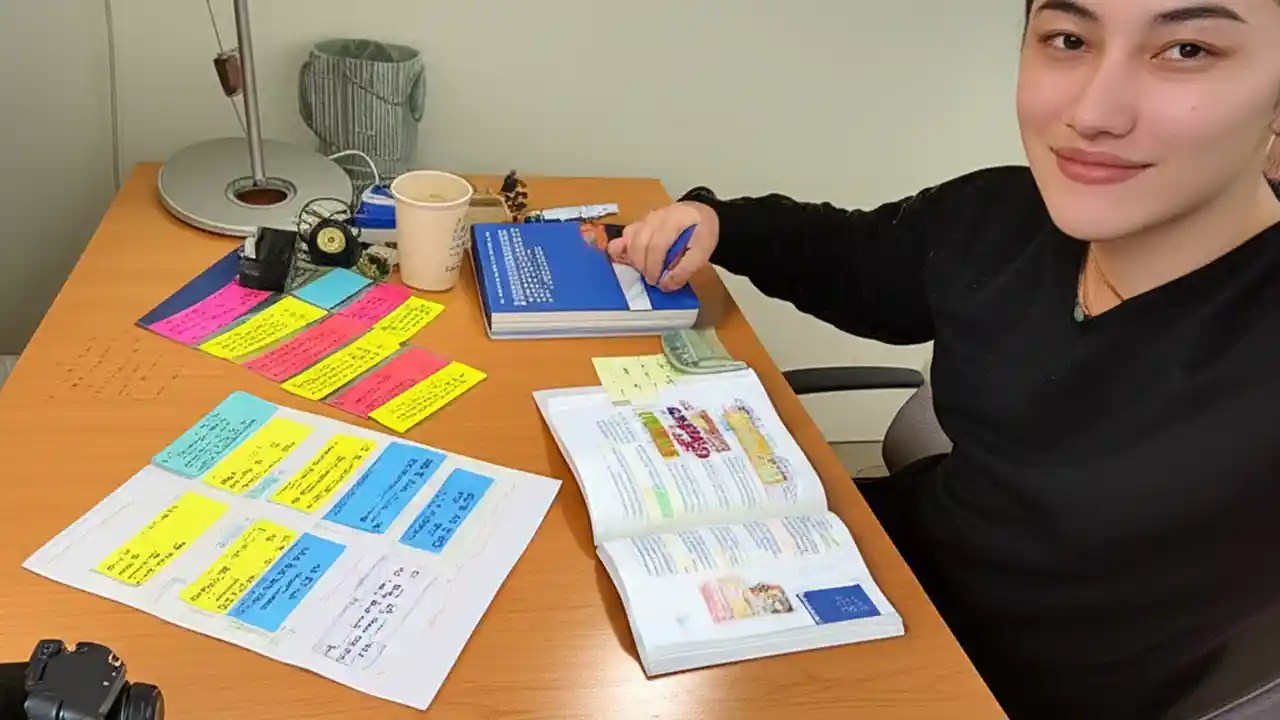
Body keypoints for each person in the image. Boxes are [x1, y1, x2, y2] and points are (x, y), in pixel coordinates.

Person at [608, 1, 1280, 718]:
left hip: (974, 686)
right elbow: (852, 260)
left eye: (1187, 51)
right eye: (1068, 39)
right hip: (859, 565)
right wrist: (721, 222)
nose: (1093, 111)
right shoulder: (1000, 215)